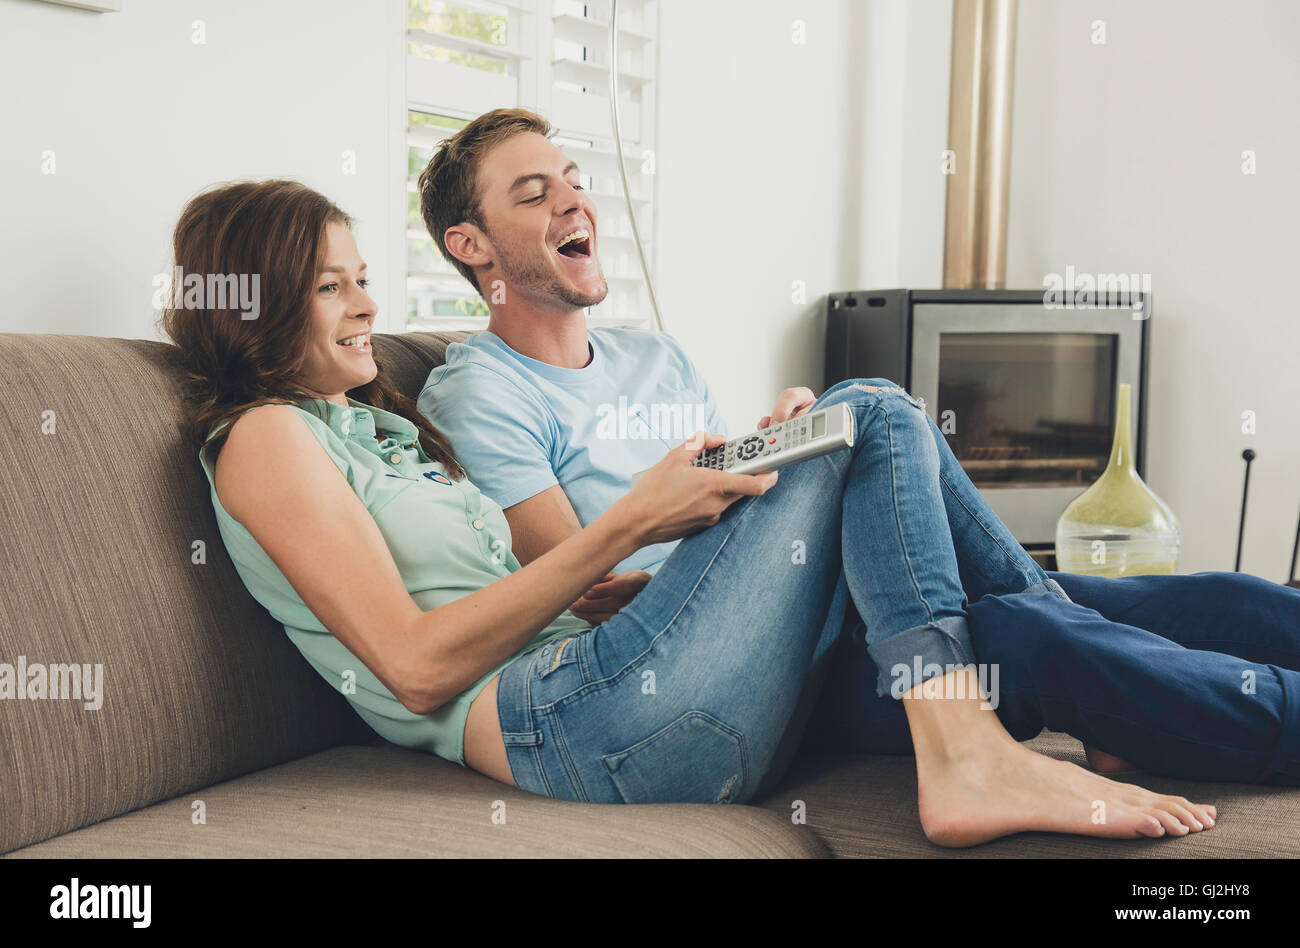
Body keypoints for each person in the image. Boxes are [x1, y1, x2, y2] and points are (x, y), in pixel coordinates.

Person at [167, 177, 1300, 852]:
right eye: (330, 284)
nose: (367, 302)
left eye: (362, 275)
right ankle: (965, 750)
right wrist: (633, 523)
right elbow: (414, 668)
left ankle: (1037, 702)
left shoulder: (381, 423)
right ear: (253, 301)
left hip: (614, 666)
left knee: (1020, 634)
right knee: (869, 410)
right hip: (577, 731)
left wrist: (647, 556)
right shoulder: (266, 436)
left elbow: (487, 599)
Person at [412, 106, 1300, 785]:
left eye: (572, 178)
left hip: (801, 608)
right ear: (471, 245)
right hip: (702, 663)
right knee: (895, 440)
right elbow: (580, 588)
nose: (573, 199)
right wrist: (763, 521)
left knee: (1180, 599)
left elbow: (714, 500)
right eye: (533, 193)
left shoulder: (655, 355)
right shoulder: (477, 390)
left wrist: (778, 458)